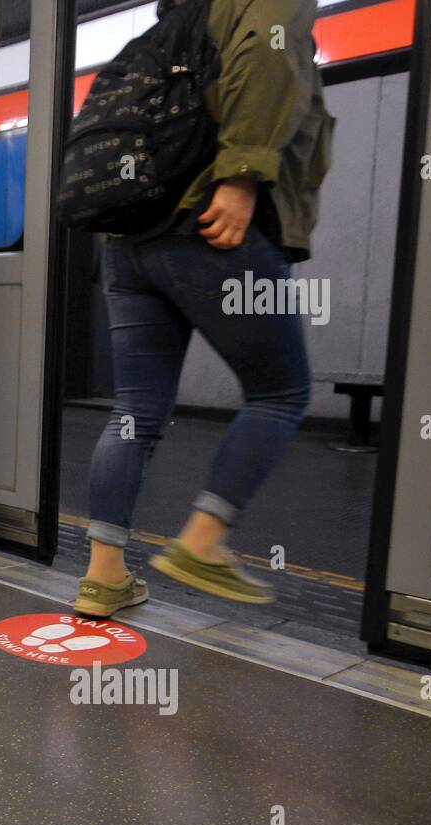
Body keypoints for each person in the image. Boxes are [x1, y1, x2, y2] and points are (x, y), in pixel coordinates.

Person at [73, 0, 335, 618]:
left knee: (134, 410)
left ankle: (103, 575)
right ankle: (203, 540)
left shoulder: (170, 26)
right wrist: (241, 178)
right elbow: (268, 62)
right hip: (212, 229)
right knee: (282, 392)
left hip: (129, 243)